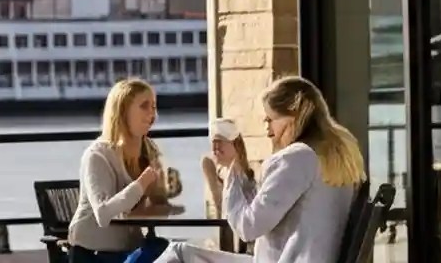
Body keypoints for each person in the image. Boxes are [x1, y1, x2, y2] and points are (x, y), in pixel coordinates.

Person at [157, 76, 365, 263]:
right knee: (181, 252)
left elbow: (247, 228)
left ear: (293, 116)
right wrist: (241, 173)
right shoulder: (338, 154)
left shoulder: (296, 158)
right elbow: (268, 212)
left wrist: (232, 171)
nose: (267, 130)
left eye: (270, 119)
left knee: (178, 254)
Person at [67, 78, 172, 263]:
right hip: (93, 254)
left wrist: (159, 194)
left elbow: (153, 207)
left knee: (167, 249)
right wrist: (142, 183)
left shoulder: (148, 150)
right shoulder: (97, 155)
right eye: (144, 106)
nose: (152, 113)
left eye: (154, 106)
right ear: (123, 111)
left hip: (129, 249)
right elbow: (103, 214)